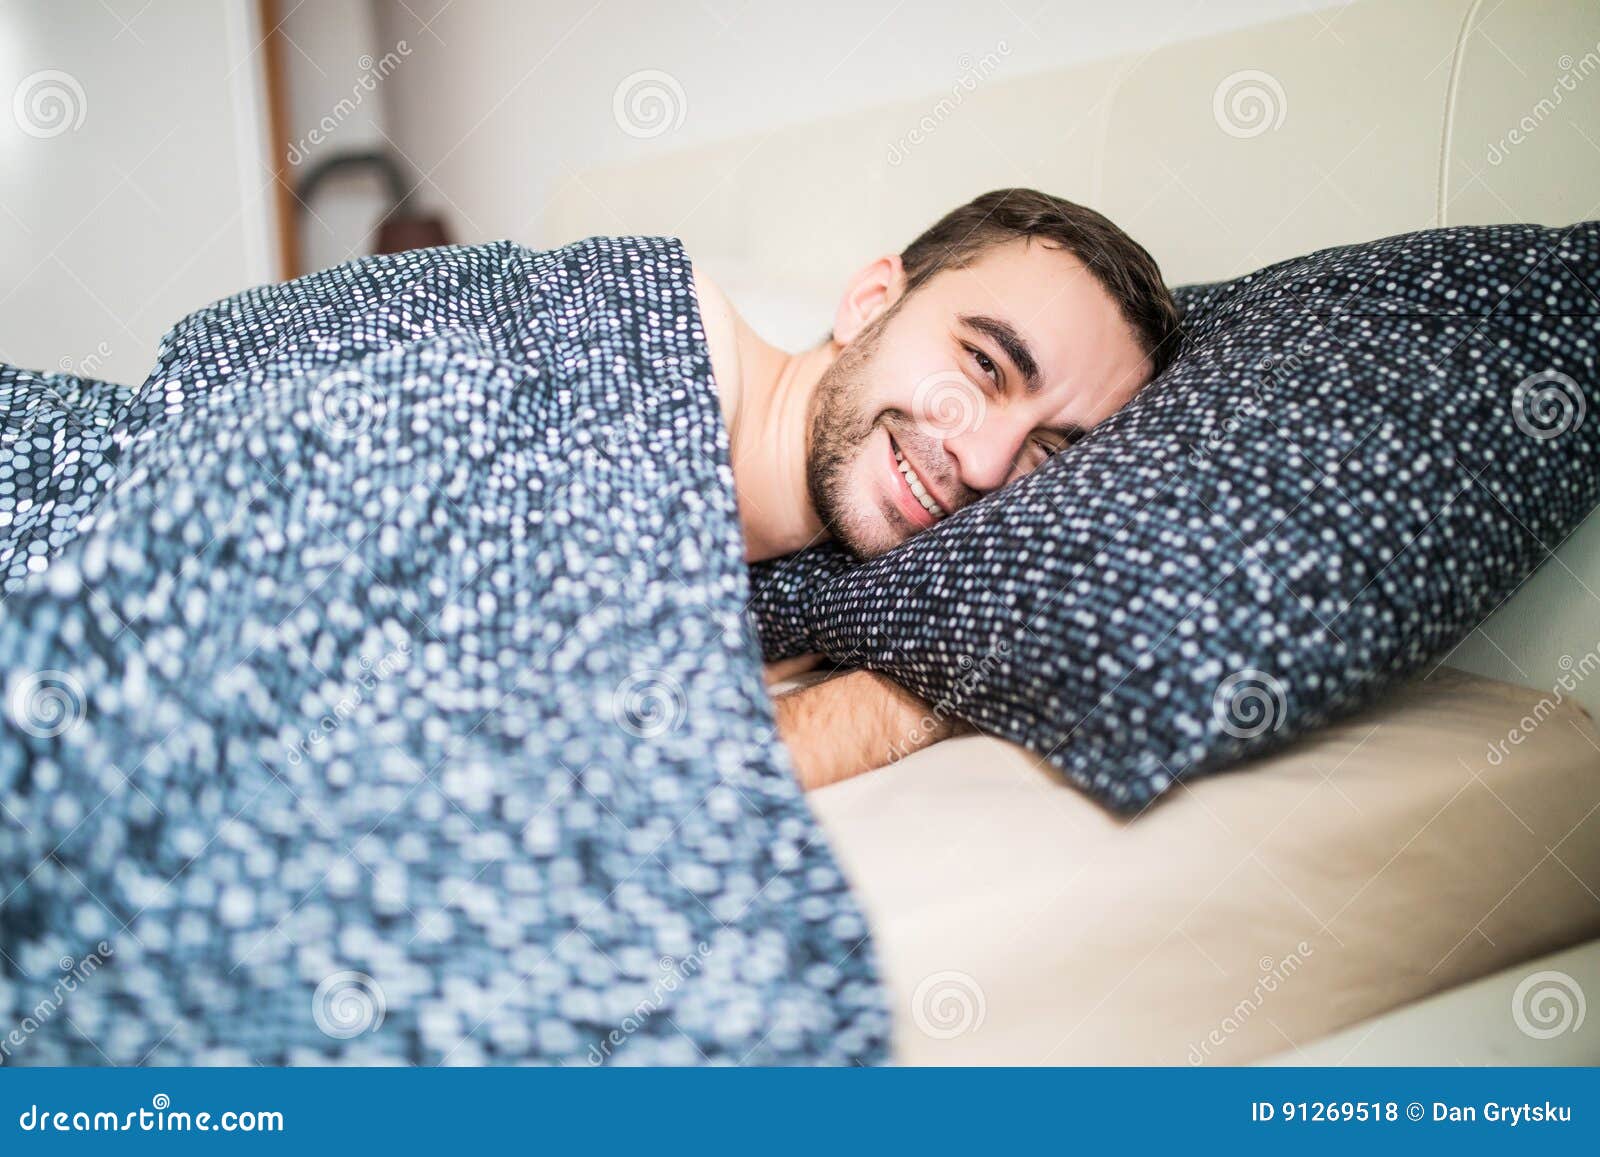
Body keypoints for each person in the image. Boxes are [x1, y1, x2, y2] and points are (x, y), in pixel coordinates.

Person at [697, 188, 1182, 789]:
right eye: (984, 365)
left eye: (1048, 450)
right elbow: (609, 781)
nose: (984, 465)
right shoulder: (675, 353)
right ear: (870, 303)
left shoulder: (776, 592)